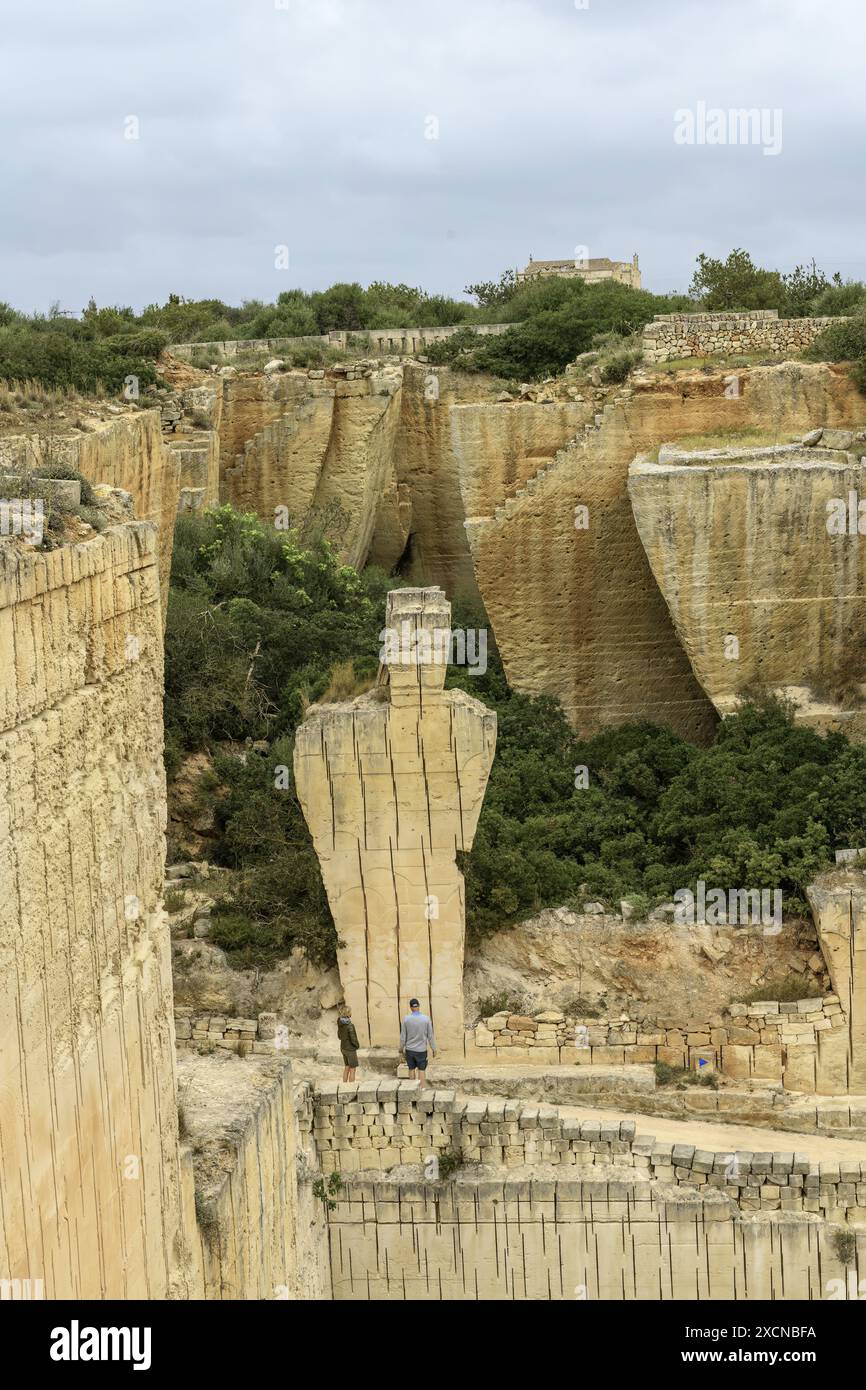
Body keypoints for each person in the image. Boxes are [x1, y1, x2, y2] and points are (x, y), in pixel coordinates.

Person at [399, 998, 436, 1082]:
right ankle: (422, 1089)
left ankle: (412, 1090)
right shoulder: (426, 1019)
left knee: (411, 1069)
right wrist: (434, 1049)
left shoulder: (406, 1019)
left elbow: (403, 1036)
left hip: (410, 1050)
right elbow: (430, 1036)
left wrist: (401, 1049)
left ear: (410, 1008)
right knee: (421, 1070)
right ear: (419, 1006)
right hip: (421, 1050)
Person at [337, 1005, 360, 1082]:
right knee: (353, 1069)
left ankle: (344, 1086)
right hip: (350, 1049)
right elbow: (353, 1039)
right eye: (350, 1011)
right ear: (348, 1013)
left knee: (347, 1067)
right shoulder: (350, 1025)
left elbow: (339, 1036)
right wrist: (357, 1046)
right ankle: (351, 1088)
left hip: (343, 1048)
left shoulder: (340, 1023)